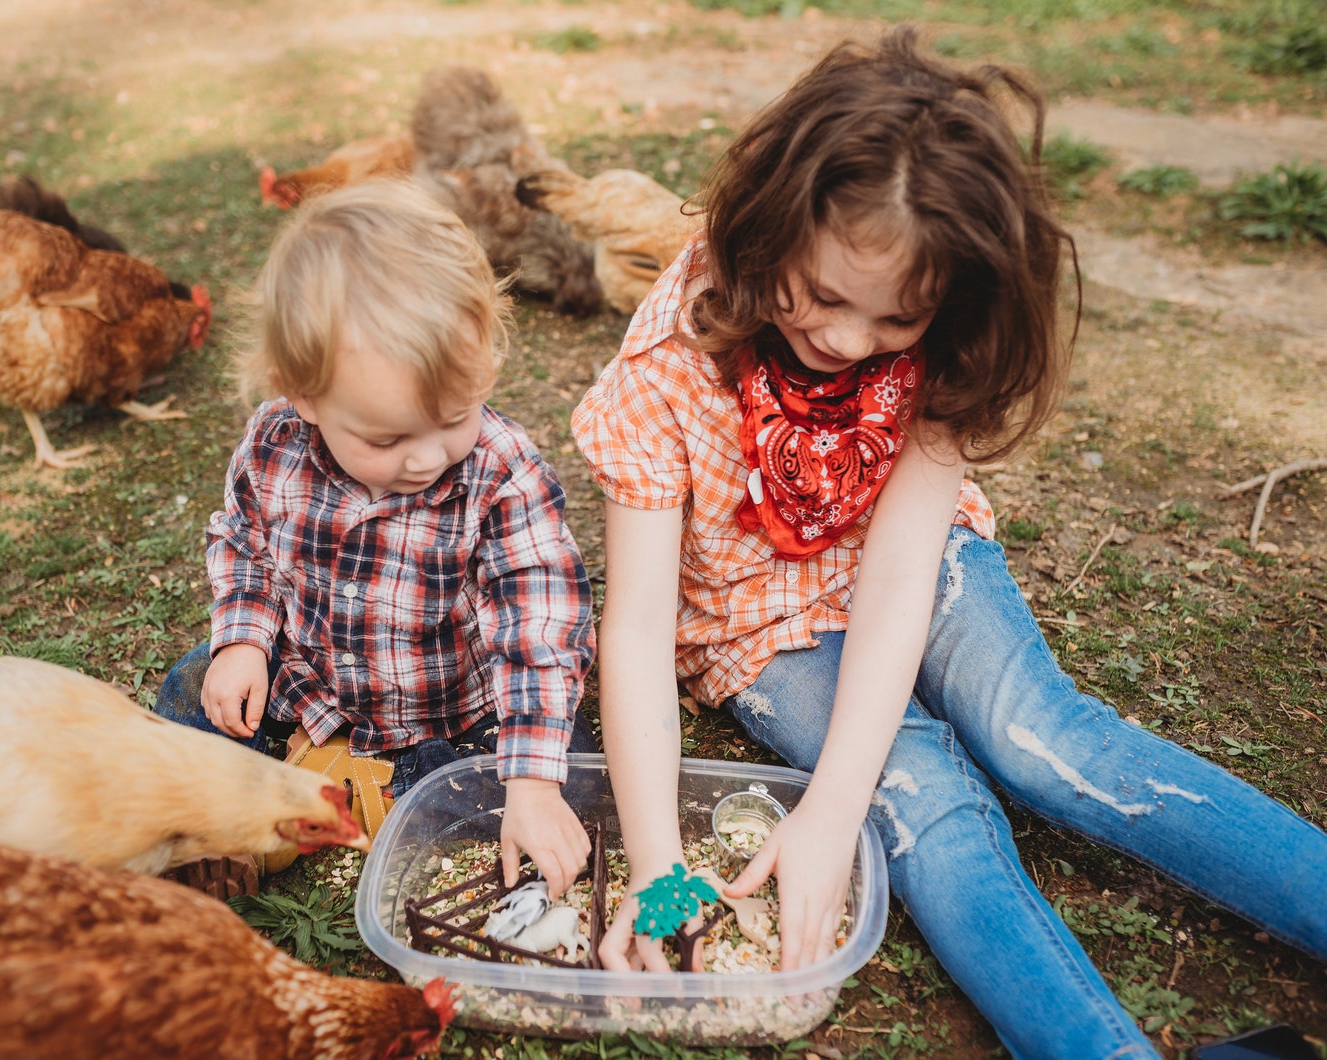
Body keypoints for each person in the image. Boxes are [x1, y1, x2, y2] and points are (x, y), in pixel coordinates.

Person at [571, 27, 1326, 1060]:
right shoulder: (667, 364)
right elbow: (638, 627)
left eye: (892, 321)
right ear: (773, 222)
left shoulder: (952, 332)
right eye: (827, 296)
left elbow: (896, 576)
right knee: (928, 810)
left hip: (904, 568)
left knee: (1043, 741)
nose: (845, 340)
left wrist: (831, 810)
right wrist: (660, 869)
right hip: (757, 624)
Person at [156, 180, 596, 896]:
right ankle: (216, 823)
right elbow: (245, 544)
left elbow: (539, 625)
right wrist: (243, 643)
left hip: (456, 711)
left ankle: (394, 791)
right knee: (193, 687)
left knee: (564, 774)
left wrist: (532, 783)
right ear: (302, 393)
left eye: (453, 416)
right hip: (311, 685)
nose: (425, 458)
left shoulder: (502, 469)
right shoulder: (275, 442)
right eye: (386, 438)